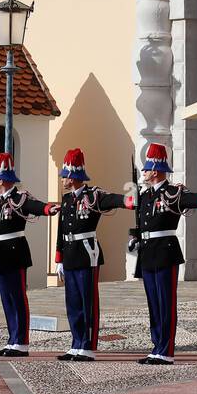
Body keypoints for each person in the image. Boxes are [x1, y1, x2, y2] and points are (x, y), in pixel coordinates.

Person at [114, 143, 197, 364]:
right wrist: (135, 237)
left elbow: (193, 199)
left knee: (166, 302)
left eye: (147, 169)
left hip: (165, 251)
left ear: (155, 170)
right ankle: (157, 346)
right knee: (153, 303)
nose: (144, 173)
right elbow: (142, 224)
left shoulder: (173, 192)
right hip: (147, 253)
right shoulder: (145, 195)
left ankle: (166, 350)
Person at [53, 148, 129, 362]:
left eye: (65, 176)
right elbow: (61, 230)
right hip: (69, 253)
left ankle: (88, 344)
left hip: (87, 252)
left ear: (74, 176)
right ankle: (76, 343)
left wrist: (129, 200)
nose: (63, 179)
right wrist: (59, 258)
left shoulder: (93, 195)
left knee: (88, 301)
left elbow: (112, 200)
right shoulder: (67, 199)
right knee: (73, 301)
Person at [0, 153, 56, 358]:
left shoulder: (19, 198)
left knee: (18, 297)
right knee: (6, 299)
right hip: (0, 253)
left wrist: (48, 209)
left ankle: (21, 341)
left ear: (2, 180)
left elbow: (35, 206)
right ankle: (12, 339)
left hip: (15, 251)